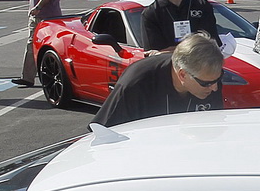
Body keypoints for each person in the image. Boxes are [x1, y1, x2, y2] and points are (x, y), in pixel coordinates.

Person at [90, 32, 225, 127]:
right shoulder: (136, 84)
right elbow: (103, 131)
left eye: (218, 79)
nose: (214, 88)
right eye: (206, 84)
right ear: (183, 75)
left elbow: (215, 127)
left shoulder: (209, 78)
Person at [13, 0, 66, 87]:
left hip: (48, 17)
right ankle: (27, 77)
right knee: (31, 45)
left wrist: (38, 7)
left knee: (50, 47)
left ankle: (55, 74)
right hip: (35, 17)